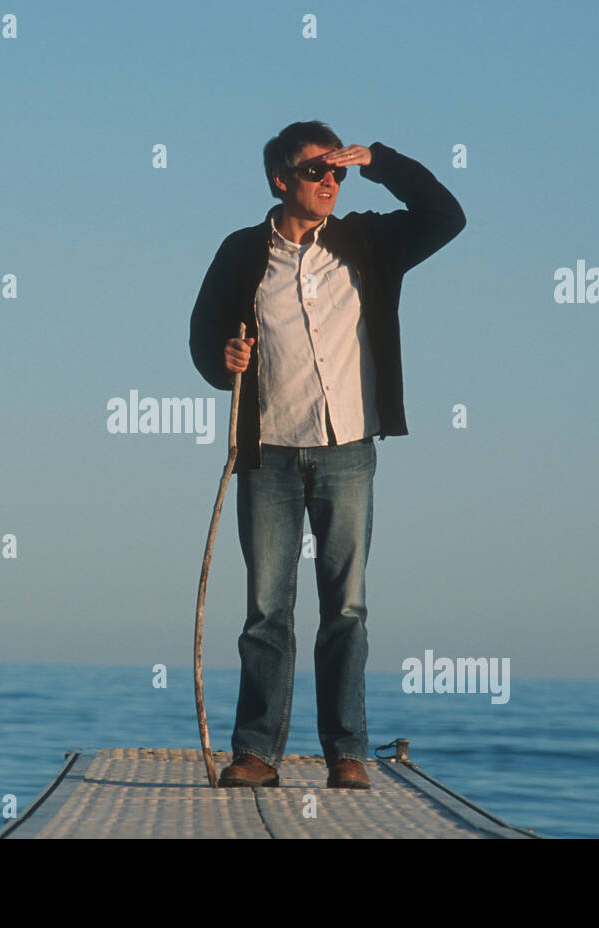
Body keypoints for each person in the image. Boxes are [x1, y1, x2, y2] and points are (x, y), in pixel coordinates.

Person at [188, 121, 465, 789]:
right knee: (265, 610)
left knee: (345, 609)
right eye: (318, 170)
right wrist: (220, 360)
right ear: (281, 180)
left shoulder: (369, 241)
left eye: (337, 171)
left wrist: (380, 161)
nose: (331, 182)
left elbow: (446, 216)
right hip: (269, 454)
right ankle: (257, 753)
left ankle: (347, 754)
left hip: (347, 450)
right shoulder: (241, 252)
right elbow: (204, 335)